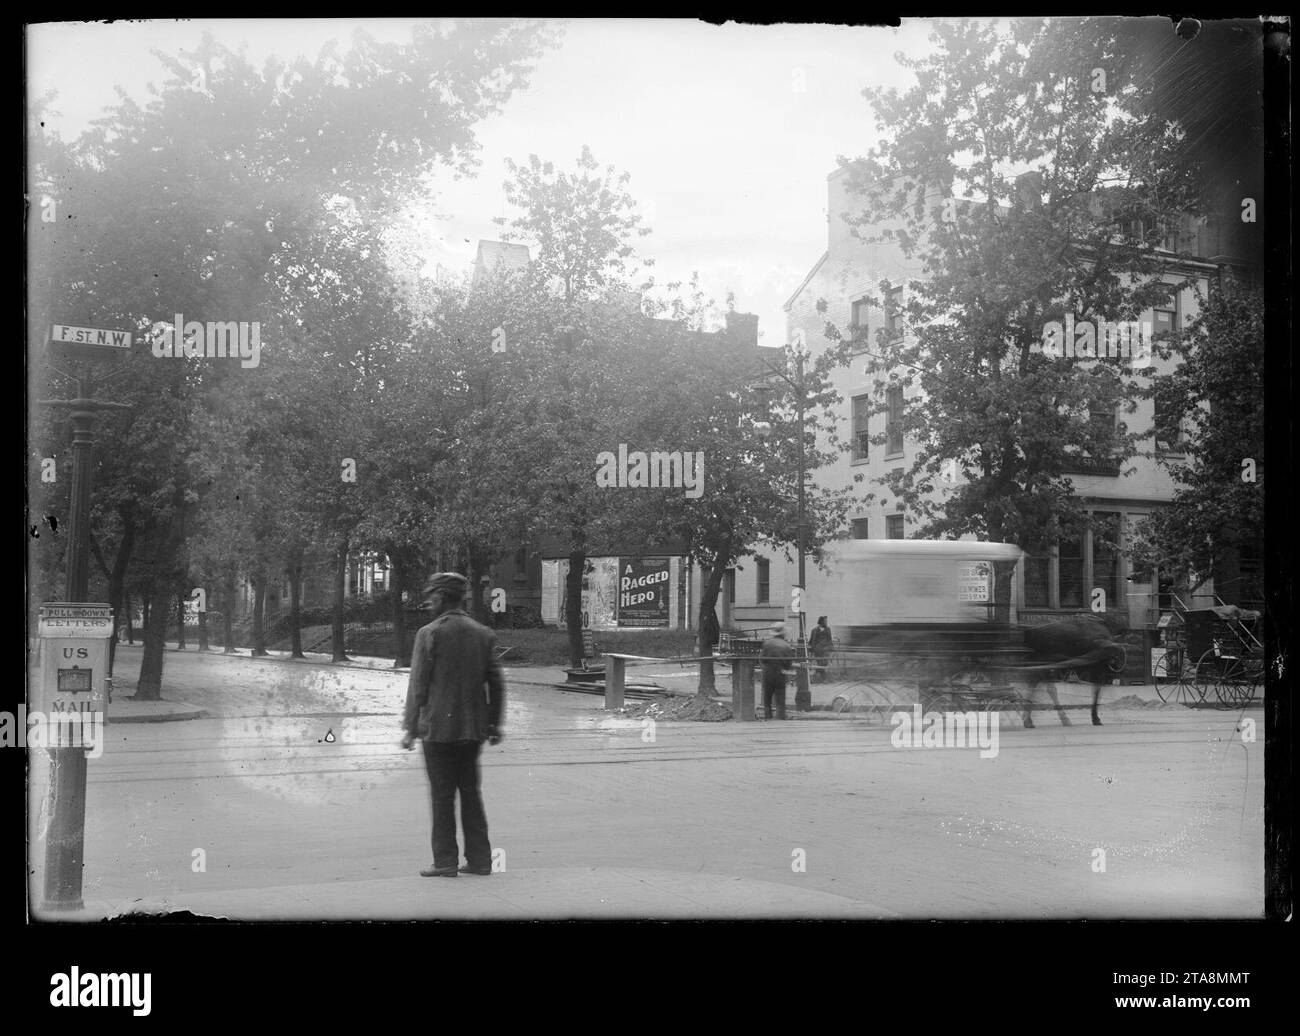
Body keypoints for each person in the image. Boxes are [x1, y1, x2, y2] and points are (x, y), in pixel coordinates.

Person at [400, 572, 505, 877]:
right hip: (473, 730)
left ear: (444, 597)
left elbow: (418, 686)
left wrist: (410, 728)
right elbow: (496, 683)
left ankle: (445, 861)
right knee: (471, 793)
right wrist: (494, 724)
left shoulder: (429, 633)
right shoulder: (483, 633)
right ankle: (481, 860)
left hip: (437, 730)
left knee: (442, 796)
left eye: (432, 596)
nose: (429, 601)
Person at [759, 625, 795, 720]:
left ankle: (768, 715)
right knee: (780, 697)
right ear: (783, 634)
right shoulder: (786, 645)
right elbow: (788, 662)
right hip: (780, 672)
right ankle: (780, 716)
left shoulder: (767, 644)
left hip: (768, 671)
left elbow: (762, 659)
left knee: (767, 697)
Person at [808, 616, 833, 683]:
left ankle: (820, 677)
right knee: (819, 663)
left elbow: (830, 640)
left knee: (823, 663)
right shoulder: (814, 630)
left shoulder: (828, 629)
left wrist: (830, 648)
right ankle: (822, 678)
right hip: (817, 650)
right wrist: (810, 647)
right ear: (821, 622)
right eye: (825, 621)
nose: (826, 622)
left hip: (825, 650)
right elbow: (811, 640)